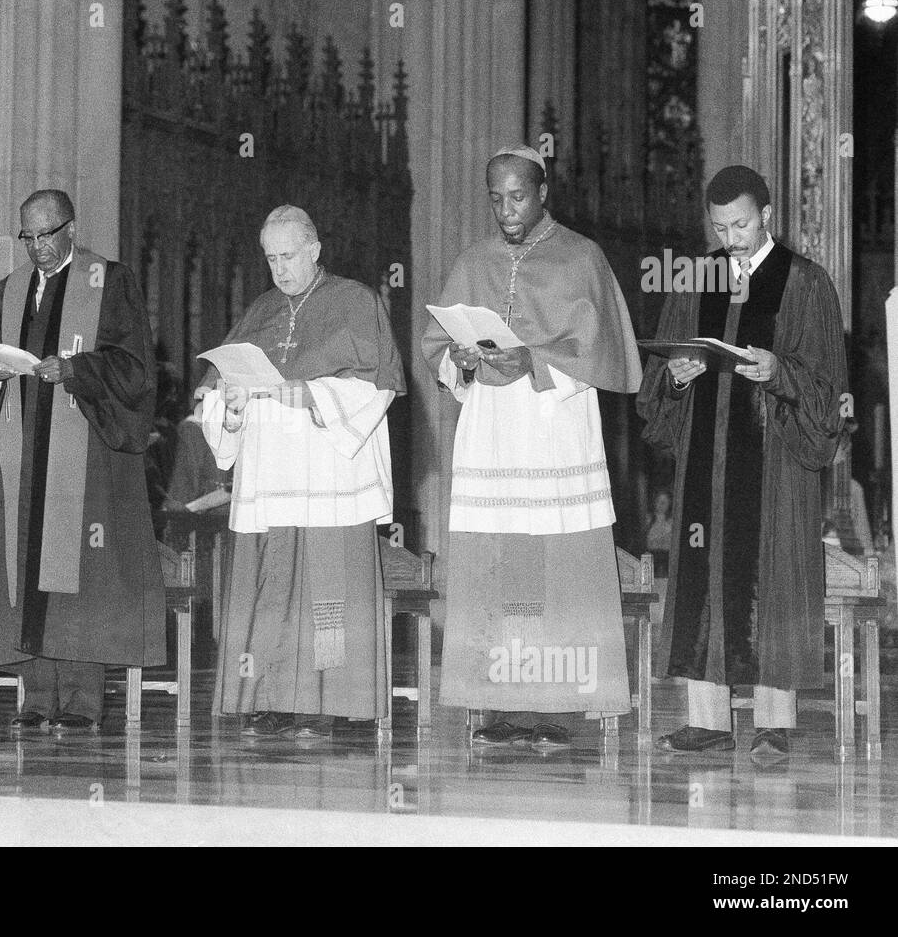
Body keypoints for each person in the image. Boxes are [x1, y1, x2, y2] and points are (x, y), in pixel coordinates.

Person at [422, 145, 642, 752]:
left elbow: (603, 354)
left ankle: (562, 703)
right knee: (496, 562)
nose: (506, 210)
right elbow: (437, 345)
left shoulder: (582, 257)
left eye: (517, 196)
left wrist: (534, 359)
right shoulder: (473, 260)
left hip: (554, 425)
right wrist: (459, 362)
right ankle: (495, 700)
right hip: (491, 429)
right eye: (495, 198)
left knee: (559, 564)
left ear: (542, 191)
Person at [638, 164, 848, 757]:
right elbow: (659, 383)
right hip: (707, 461)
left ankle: (775, 723)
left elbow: (828, 386)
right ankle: (707, 719)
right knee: (704, 568)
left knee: (772, 574)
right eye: (720, 225)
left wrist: (778, 371)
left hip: (775, 462)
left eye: (742, 224)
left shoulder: (804, 282)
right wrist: (678, 378)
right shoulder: (695, 278)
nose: (730, 238)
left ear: (767, 217)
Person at [0, 188, 166, 732]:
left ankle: (80, 701)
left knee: (80, 577)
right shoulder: (7, 292)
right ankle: (37, 695)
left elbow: (136, 368)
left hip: (85, 454)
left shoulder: (110, 282)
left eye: (47, 234)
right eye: (28, 237)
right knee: (27, 571)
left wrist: (75, 371)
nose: (38, 247)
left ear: (71, 228)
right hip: (23, 455)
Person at [199, 204, 405, 739]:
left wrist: (306, 393)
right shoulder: (261, 310)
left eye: (289, 256)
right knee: (272, 590)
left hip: (327, 474)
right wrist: (232, 405)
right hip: (270, 476)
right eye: (271, 258)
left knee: (327, 591)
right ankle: (269, 696)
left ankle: (331, 698)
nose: (280, 269)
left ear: (314, 249)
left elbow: (375, 387)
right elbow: (218, 390)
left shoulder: (357, 302)